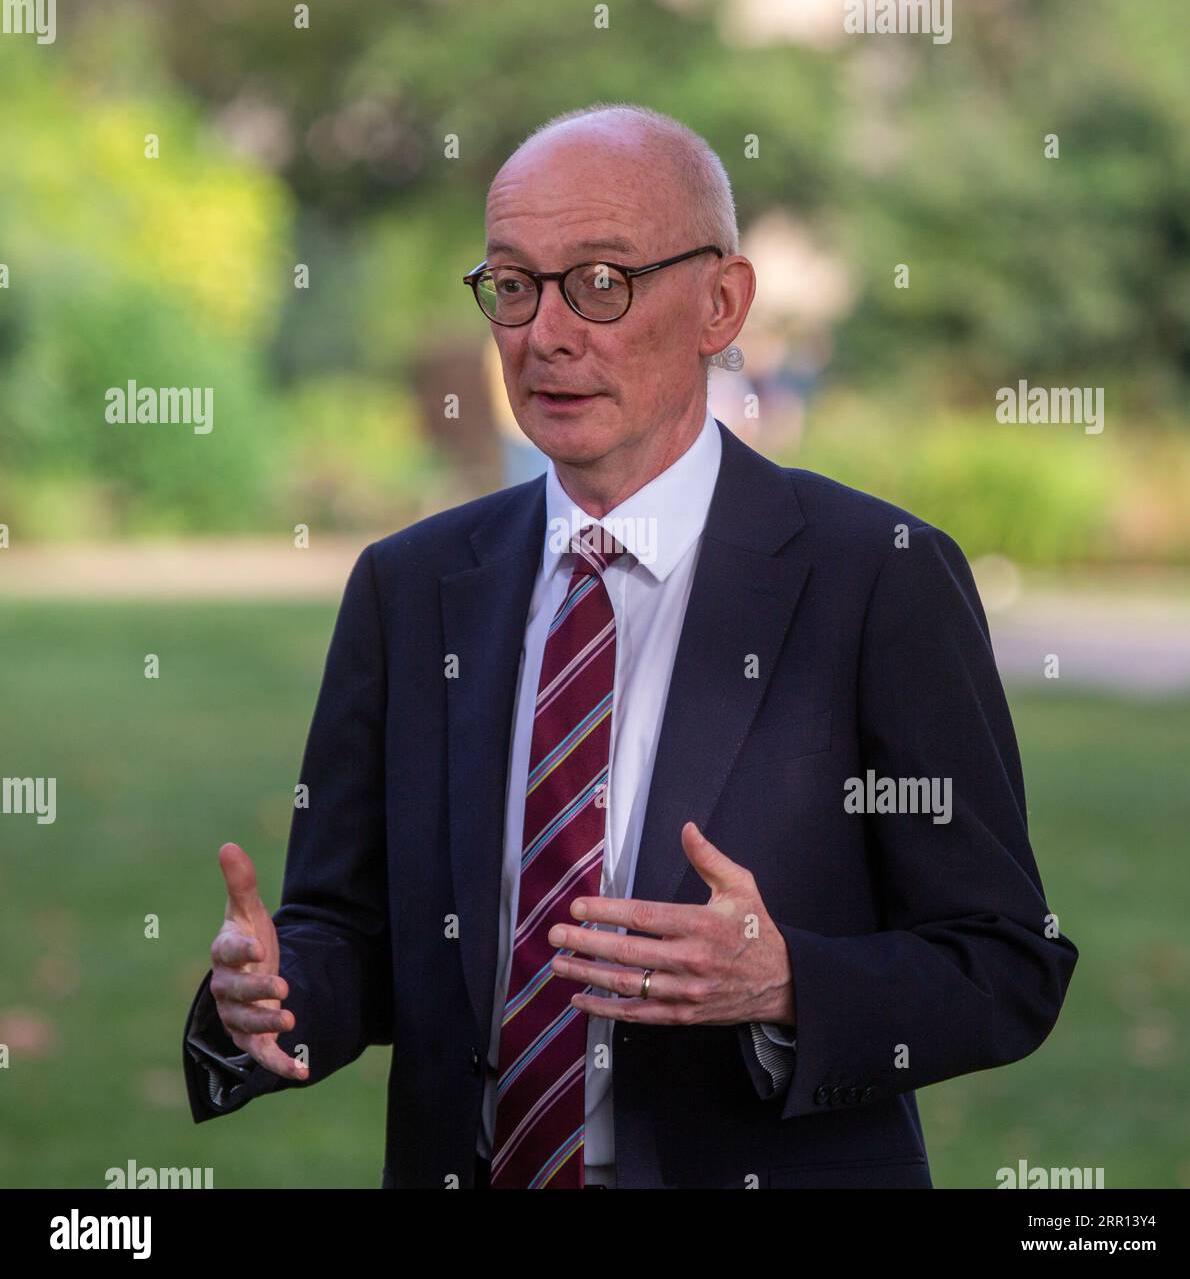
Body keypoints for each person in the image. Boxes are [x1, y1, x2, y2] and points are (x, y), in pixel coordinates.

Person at [182, 102, 1078, 1189]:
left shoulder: (876, 576)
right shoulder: (411, 589)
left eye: (600, 281)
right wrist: (277, 992)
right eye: (512, 285)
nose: (546, 333)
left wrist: (787, 982)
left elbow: (1005, 963)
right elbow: (354, 930)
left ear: (721, 303)